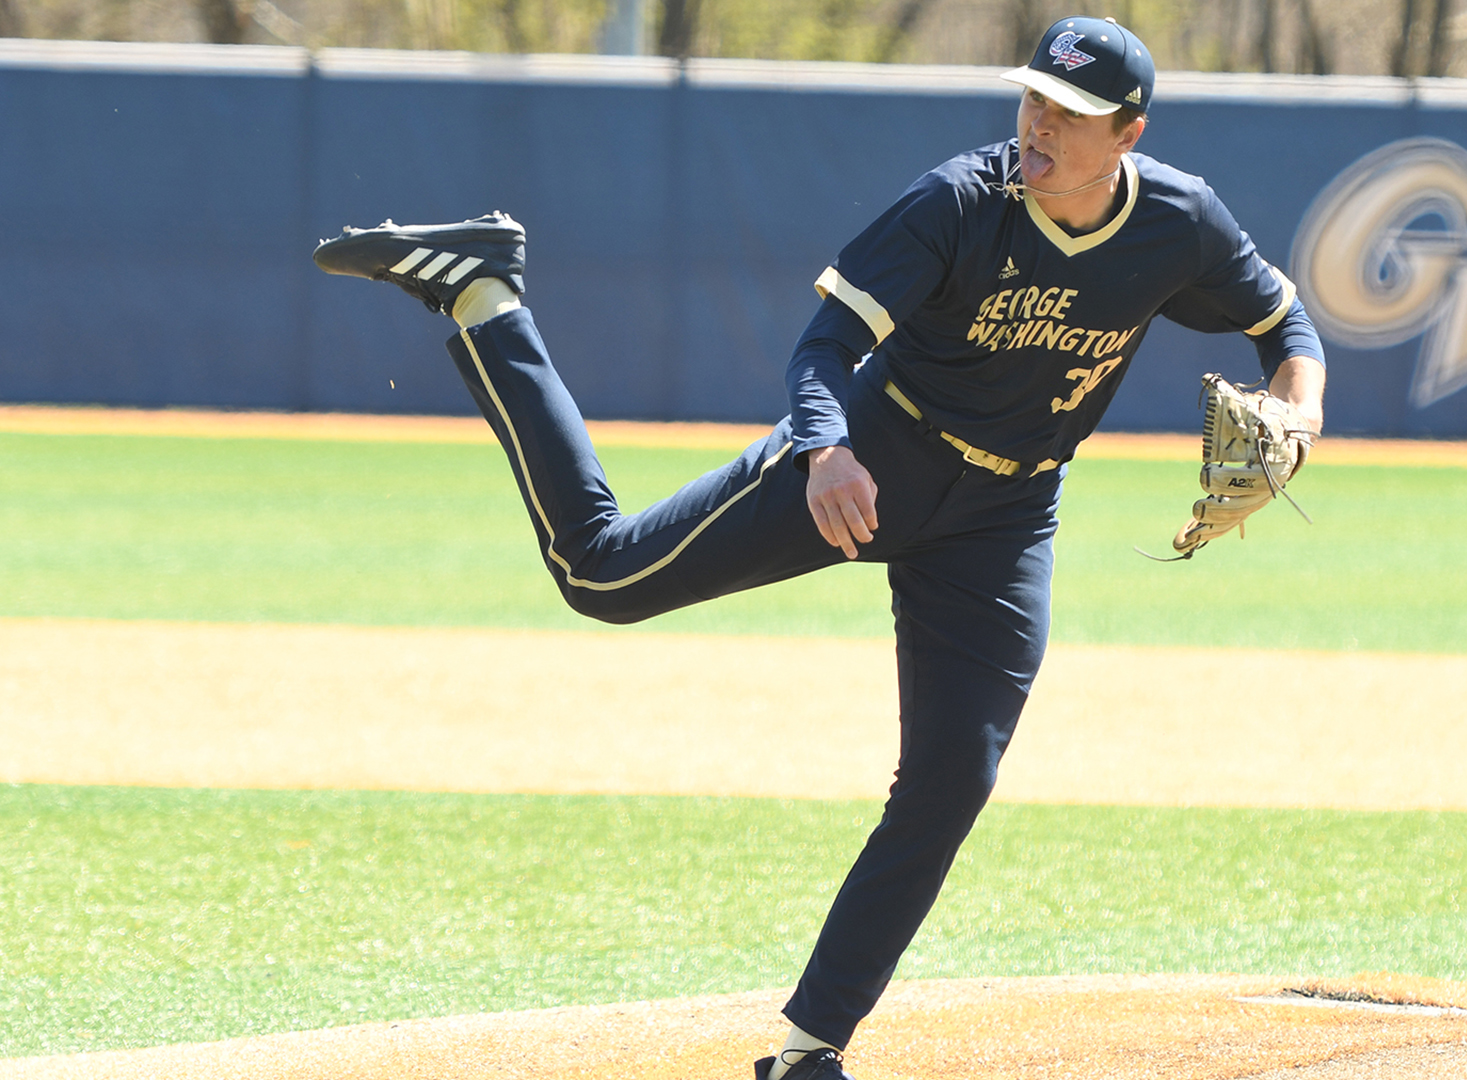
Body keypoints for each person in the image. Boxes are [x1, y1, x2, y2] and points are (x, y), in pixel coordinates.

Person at [313, 16, 1325, 1079]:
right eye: (1033, 100)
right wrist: (828, 449)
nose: (1038, 127)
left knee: (950, 777)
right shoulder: (957, 202)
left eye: (1068, 116)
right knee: (601, 575)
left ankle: (808, 1050)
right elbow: (825, 348)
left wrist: (1298, 419)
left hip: (1003, 519)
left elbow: (1286, 326)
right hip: (871, 461)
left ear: (1128, 132)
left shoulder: (1178, 219)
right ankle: (488, 298)